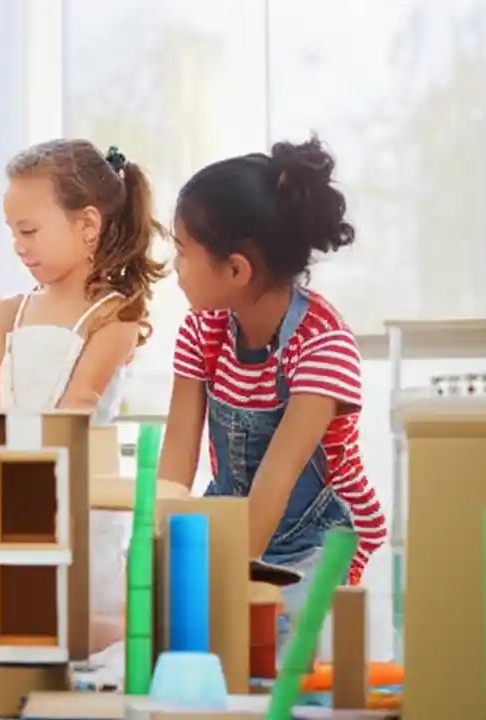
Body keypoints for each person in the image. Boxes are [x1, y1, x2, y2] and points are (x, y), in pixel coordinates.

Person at [157, 137, 387, 645]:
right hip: (235, 523)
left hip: (316, 548)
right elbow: (177, 457)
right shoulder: (203, 330)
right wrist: (158, 547)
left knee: (284, 667)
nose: (174, 267)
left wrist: (222, 586)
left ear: (237, 269)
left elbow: (275, 483)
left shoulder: (322, 344)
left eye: (181, 251)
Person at [0, 140, 168, 650]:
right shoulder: (9, 314)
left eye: (30, 231)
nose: (19, 246)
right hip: (15, 492)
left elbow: (78, 407)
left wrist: (29, 481)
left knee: (83, 628)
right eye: (12, 233)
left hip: (80, 497)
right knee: (16, 628)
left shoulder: (114, 316)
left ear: (88, 225)